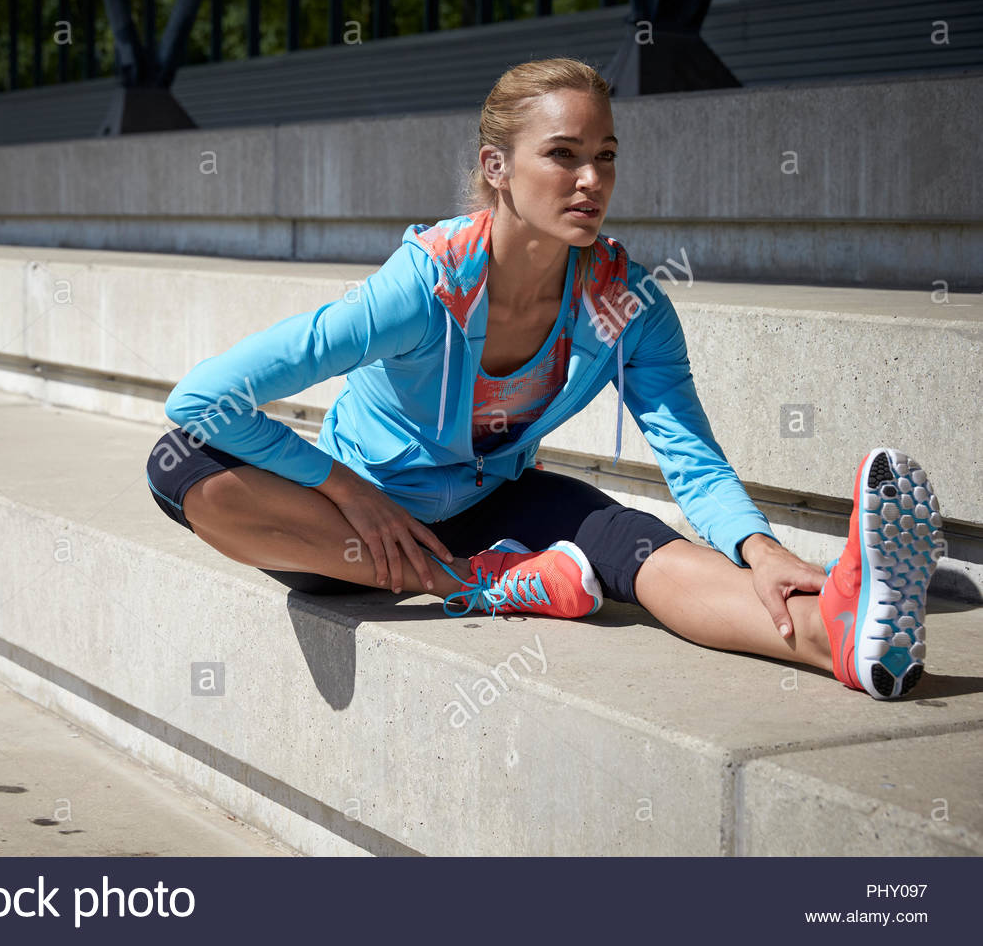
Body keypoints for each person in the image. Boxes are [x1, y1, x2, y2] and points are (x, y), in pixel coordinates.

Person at [145, 58, 946, 701]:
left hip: (501, 503)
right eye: (562, 155)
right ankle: (480, 581)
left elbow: (689, 455)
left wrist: (760, 546)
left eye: (604, 158)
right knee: (178, 465)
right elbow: (204, 399)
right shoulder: (426, 288)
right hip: (354, 523)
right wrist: (346, 488)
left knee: (643, 550)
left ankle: (841, 633)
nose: (590, 181)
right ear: (497, 166)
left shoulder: (624, 304)